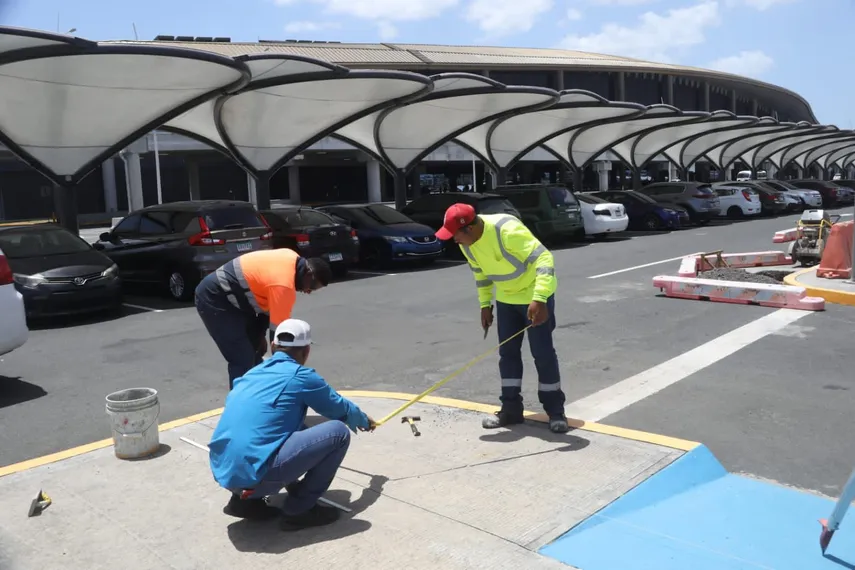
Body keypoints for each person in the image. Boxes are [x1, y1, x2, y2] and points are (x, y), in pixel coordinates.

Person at [208, 318, 376, 530]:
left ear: (273, 346)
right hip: (256, 476)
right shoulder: (302, 377)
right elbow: (338, 408)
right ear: (306, 351)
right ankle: (299, 511)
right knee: (337, 434)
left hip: (224, 470)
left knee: (291, 426)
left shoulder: (252, 373)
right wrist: (363, 420)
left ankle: (244, 502)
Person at [435, 203, 569, 434]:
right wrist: (485, 304)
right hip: (506, 300)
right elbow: (481, 274)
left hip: (533, 298)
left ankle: (555, 412)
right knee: (507, 355)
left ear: (468, 229)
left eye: (455, 235)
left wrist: (540, 299)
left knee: (543, 354)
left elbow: (544, 260)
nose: (453, 240)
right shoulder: (467, 245)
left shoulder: (507, 231)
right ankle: (511, 409)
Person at [195, 248, 332, 388]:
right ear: (308, 274)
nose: (308, 292)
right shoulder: (283, 285)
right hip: (215, 298)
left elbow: (267, 311)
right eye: (313, 287)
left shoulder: (291, 258)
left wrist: (259, 337)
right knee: (242, 358)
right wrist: (285, 378)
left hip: (237, 301)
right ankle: (240, 405)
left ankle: (258, 396)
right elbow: (280, 340)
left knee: (255, 350)